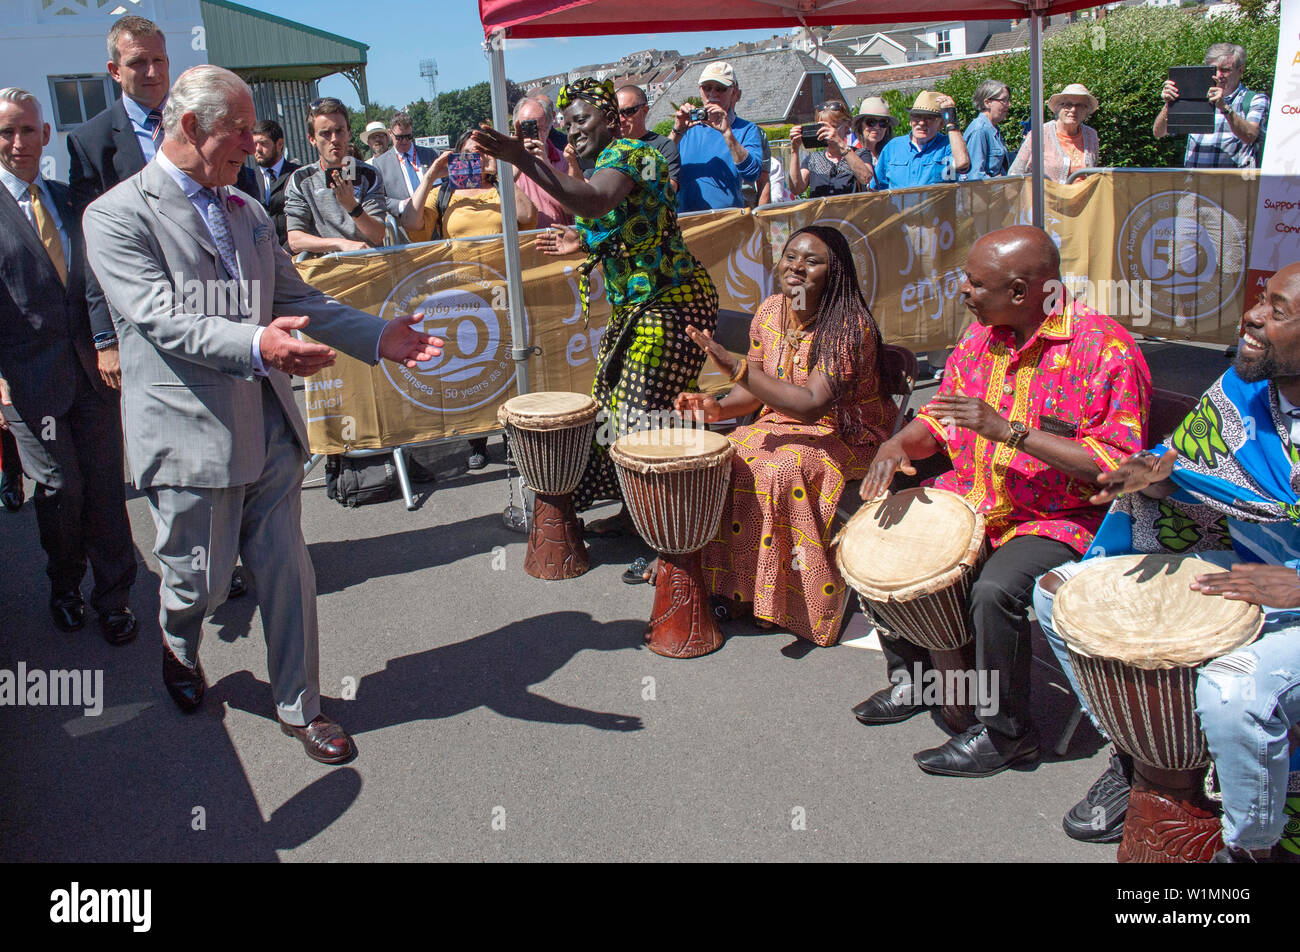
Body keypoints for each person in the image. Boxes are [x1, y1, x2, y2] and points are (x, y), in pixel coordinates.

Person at [81, 65, 442, 763]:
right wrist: (258, 344)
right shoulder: (116, 216)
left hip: (269, 428)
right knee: (199, 582)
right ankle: (178, 641)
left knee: (287, 572)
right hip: (190, 437)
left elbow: (298, 297)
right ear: (190, 127)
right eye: (240, 129)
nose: (254, 141)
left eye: (252, 130)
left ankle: (300, 706)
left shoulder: (245, 210)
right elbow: (162, 318)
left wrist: (378, 336)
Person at [852, 225, 1151, 777]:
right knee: (876, 541)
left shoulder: (1104, 348)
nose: (963, 291)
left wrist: (1010, 431)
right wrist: (896, 444)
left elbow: (1119, 466)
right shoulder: (979, 338)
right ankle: (915, 679)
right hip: (972, 497)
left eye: (974, 284)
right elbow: (939, 421)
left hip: (1059, 518)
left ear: (1020, 292)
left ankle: (1007, 732)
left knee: (996, 589)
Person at [1034, 263, 1300, 860]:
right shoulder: (1242, 389)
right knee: (1058, 593)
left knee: (1236, 690)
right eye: (1261, 299)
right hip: (1245, 567)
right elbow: (1185, 469)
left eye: (1278, 311)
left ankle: (1252, 846)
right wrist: (1151, 480)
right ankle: (1139, 752)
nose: (1253, 316)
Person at [471, 78, 718, 542]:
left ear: (611, 119)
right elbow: (633, 223)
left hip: (674, 302)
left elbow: (599, 200)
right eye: (566, 124)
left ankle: (670, 535)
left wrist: (523, 158)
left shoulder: (632, 154)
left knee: (641, 417)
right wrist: (583, 238)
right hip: (640, 305)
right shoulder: (608, 162)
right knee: (611, 413)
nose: (572, 130)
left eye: (581, 120)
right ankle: (636, 514)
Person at [67, 14, 252, 601]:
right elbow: (94, 252)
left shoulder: (207, 123)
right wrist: (105, 338)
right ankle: (181, 591)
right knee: (177, 459)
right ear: (114, 71)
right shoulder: (92, 142)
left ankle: (222, 561)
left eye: (159, 60)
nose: (151, 72)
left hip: (223, 307)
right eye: (137, 63)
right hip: (147, 312)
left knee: (233, 450)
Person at [676, 226, 896, 643]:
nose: (796, 267)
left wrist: (735, 368)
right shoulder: (770, 310)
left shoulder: (848, 327)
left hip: (849, 434)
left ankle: (785, 603)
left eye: (812, 261)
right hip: (781, 424)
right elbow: (756, 386)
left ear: (836, 273)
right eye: (790, 256)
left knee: (783, 468)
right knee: (728, 452)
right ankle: (732, 587)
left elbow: (812, 403)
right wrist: (720, 407)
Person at [0, 87, 137, 643]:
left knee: (105, 486)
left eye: (27, 130)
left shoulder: (70, 200)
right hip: (29, 383)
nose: (16, 143)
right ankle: (65, 584)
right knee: (59, 489)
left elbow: (98, 279)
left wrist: (108, 342)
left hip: (92, 372)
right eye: (5, 133)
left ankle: (115, 596)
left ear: (46, 134)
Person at [402, 128, 538, 472]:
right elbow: (410, 223)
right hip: (462, 296)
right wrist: (433, 173)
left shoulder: (499, 187)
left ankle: (511, 436)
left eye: (482, 153)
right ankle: (477, 440)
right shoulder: (444, 192)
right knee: (473, 370)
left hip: (504, 292)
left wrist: (502, 173)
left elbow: (527, 217)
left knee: (507, 365)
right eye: (469, 153)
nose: (476, 158)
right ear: (457, 155)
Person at [284, 97, 389, 256]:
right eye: (325, 134)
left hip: (367, 267)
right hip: (324, 271)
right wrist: (341, 244)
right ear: (312, 139)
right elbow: (295, 240)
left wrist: (352, 207)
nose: (334, 139)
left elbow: (377, 235)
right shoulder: (301, 180)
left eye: (339, 131)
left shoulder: (369, 175)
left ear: (348, 133)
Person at [670, 61, 765, 213]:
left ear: (734, 92)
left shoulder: (747, 130)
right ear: (700, 90)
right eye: (707, 88)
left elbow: (752, 173)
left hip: (726, 224)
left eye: (720, 89)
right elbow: (656, 168)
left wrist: (727, 134)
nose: (712, 94)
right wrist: (676, 131)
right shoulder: (686, 128)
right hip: (686, 224)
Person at [1154, 42, 1267, 169]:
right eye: (1214, 69)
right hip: (1194, 184)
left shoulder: (1254, 100)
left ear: (1241, 70)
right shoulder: (1196, 96)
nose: (1219, 75)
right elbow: (1159, 133)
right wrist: (1169, 105)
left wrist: (1224, 108)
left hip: (1233, 184)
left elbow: (1250, 136)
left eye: (1225, 70)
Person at [869, 90, 970, 191]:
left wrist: (951, 122)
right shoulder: (893, 146)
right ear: (910, 120)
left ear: (941, 124)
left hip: (938, 207)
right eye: (916, 116)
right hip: (901, 206)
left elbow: (962, 163)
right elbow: (877, 187)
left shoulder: (948, 145)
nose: (921, 123)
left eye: (929, 118)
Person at [1009, 84, 1099, 183]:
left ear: (1086, 110)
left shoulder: (1091, 135)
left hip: (1083, 197)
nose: (1073, 110)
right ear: (1058, 108)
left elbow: (1092, 172)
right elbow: (1015, 173)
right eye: (1068, 104)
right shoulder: (1040, 135)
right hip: (1048, 197)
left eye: (1079, 105)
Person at [787, 101, 873, 198]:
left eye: (833, 126)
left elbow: (866, 178)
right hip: (821, 213)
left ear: (847, 126)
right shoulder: (813, 159)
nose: (827, 131)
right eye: (822, 127)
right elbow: (796, 189)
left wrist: (840, 143)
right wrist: (795, 150)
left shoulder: (861, 154)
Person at [510, 98, 575, 229]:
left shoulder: (564, 160)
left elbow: (572, 208)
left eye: (538, 128)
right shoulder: (505, 161)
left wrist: (548, 167)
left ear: (549, 128)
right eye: (525, 128)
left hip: (559, 240)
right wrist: (516, 164)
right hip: (524, 243)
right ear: (515, 127)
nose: (531, 135)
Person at [615, 84, 680, 195]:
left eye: (628, 112)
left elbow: (671, 190)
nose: (621, 119)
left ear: (644, 110)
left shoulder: (663, 147)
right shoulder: (606, 148)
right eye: (616, 113)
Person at [371, 112, 438, 208]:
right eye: (399, 137)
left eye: (408, 137)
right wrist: (401, 205)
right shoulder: (380, 164)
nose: (404, 141)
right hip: (404, 218)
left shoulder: (431, 155)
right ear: (390, 133)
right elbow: (378, 198)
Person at [250, 119, 299, 247]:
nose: (258, 149)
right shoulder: (248, 178)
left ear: (279, 144)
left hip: (294, 253)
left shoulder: (297, 174)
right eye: (254, 144)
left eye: (263, 143)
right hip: (260, 254)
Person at [963, 79, 1012, 180]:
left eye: (1008, 100)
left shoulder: (994, 129)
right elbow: (975, 176)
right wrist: (999, 183)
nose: (1009, 104)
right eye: (1004, 100)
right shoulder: (979, 130)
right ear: (987, 103)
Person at [850, 97, 896, 169]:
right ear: (860, 124)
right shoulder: (849, 153)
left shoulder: (891, 154)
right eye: (871, 122)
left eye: (883, 122)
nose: (877, 127)